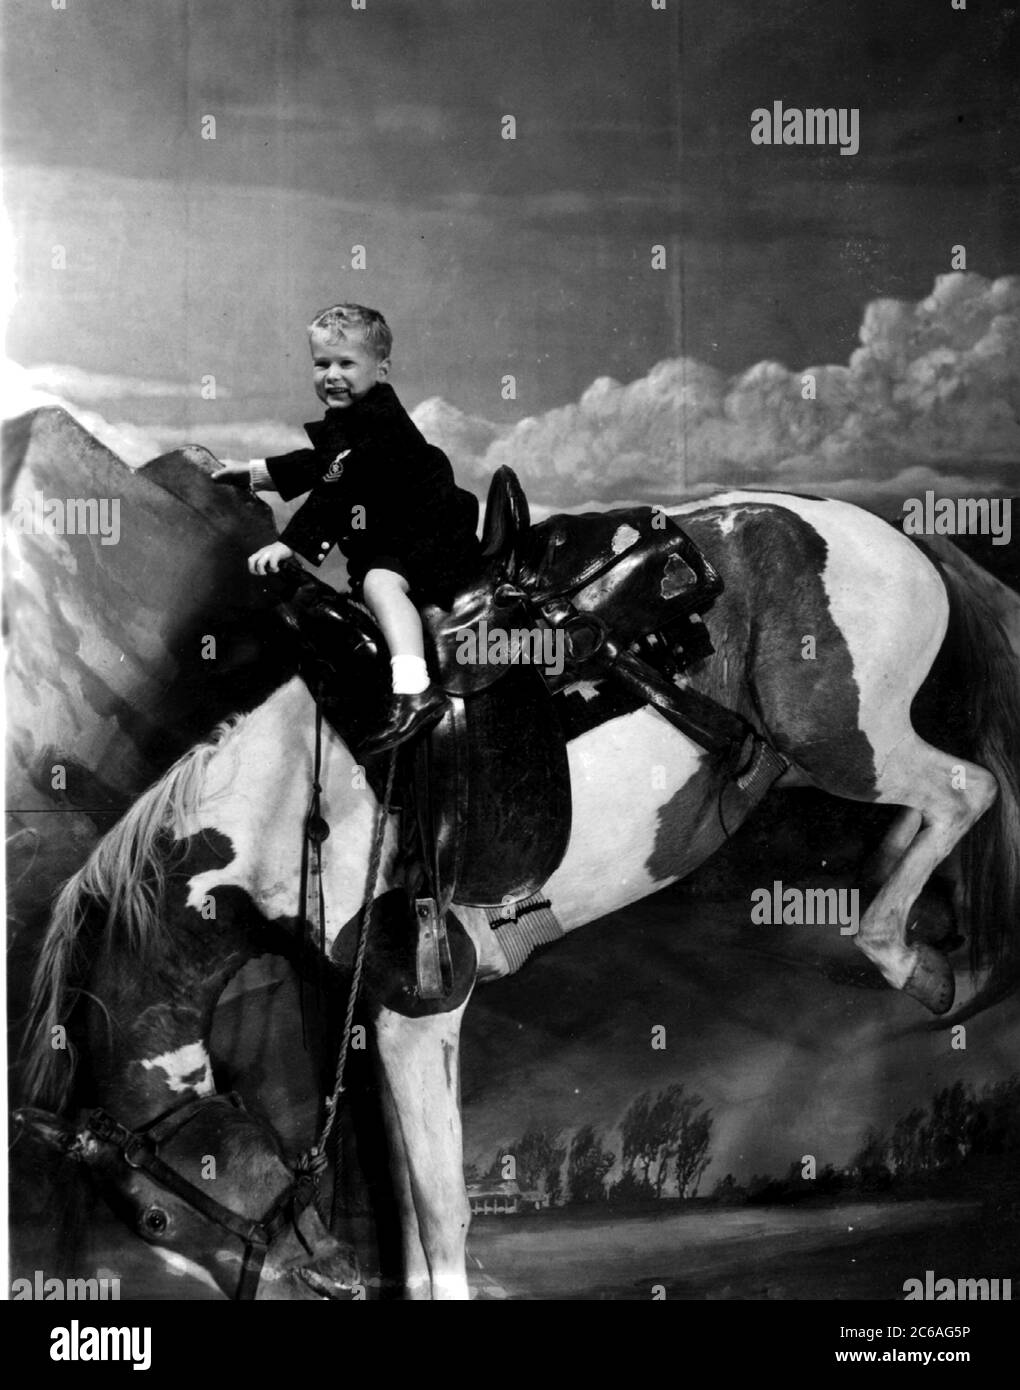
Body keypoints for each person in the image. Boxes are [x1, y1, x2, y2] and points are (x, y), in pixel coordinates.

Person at [213, 303, 481, 754]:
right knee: (368, 587)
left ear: (382, 369)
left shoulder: (380, 421)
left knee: (381, 584)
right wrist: (256, 472)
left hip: (428, 535)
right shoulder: (350, 420)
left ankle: (414, 690)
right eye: (321, 364)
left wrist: (289, 545)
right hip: (396, 532)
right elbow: (322, 464)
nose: (332, 375)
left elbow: (340, 484)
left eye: (346, 363)